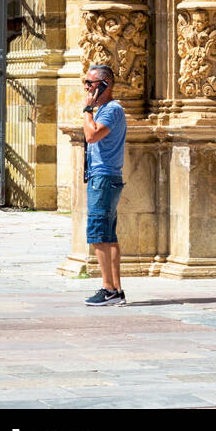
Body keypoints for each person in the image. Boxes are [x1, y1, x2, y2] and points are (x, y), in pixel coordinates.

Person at [82, 63, 127, 306]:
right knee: (108, 234)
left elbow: (92, 135)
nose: (86, 87)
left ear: (104, 86)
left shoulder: (110, 110)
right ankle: (116, 290)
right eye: (85, 83)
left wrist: (88, 109)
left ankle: (108, 288)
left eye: (90, 83)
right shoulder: (106, 110)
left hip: (104, 177)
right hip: (104, 177)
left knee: (98, 234)